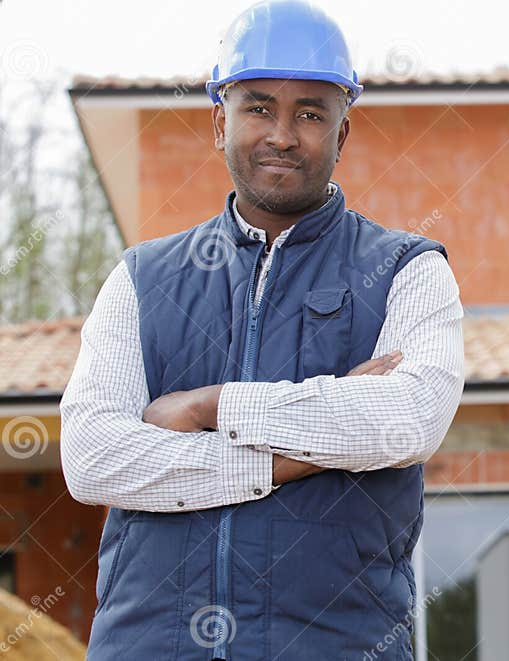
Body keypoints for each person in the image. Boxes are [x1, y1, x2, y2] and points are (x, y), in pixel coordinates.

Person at [58, 1, 464, 659]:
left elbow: (407, 418)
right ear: (220, 121)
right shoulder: (139, 278)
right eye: (258, 107)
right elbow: (94, 457)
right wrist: (294, 456)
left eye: (310, 112)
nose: (282, 133)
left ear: (343, 133)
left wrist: (208, 406)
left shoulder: (406, 270)